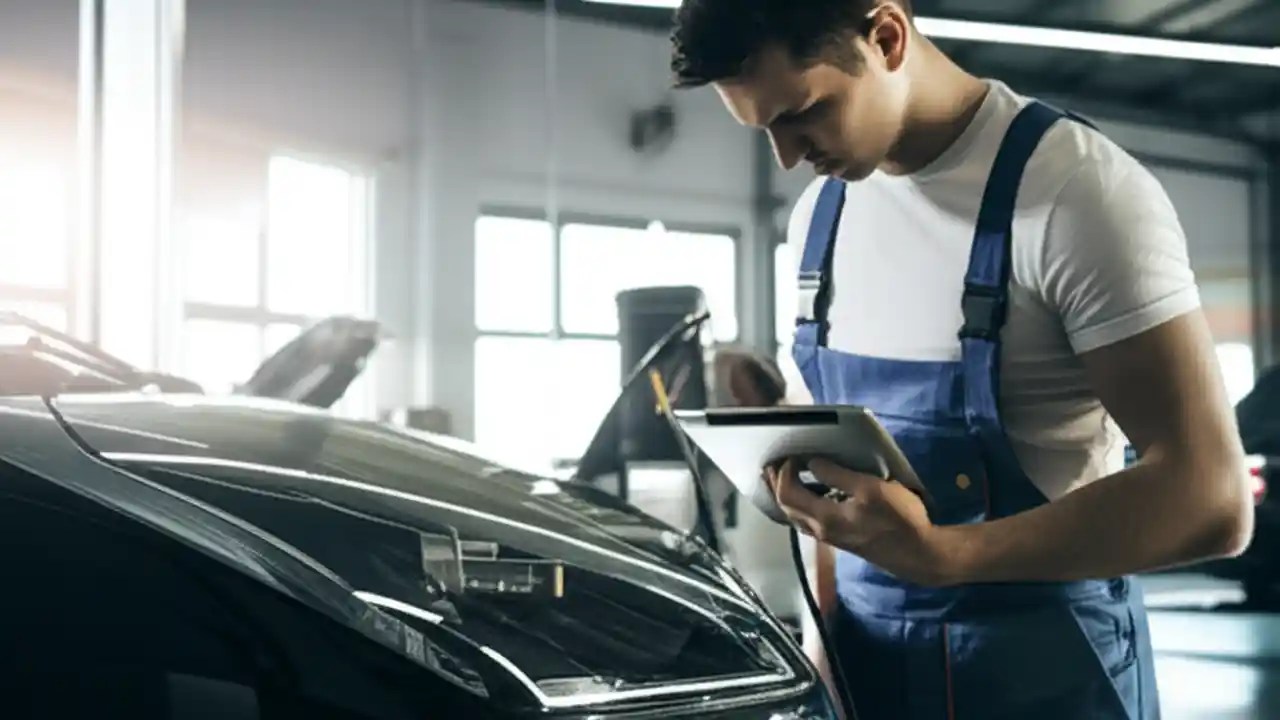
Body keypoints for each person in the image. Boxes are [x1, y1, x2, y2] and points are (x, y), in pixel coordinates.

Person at [670, 2, 1254, 719]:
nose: (788, 156)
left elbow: (1211, 498)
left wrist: (945, 557)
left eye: (803, 112)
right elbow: (832, 479)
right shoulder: (822, 217)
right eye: (764, 130)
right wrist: (825, 653)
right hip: (868, 668)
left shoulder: (1076, 194)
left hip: (1049, 679)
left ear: (885, 36)